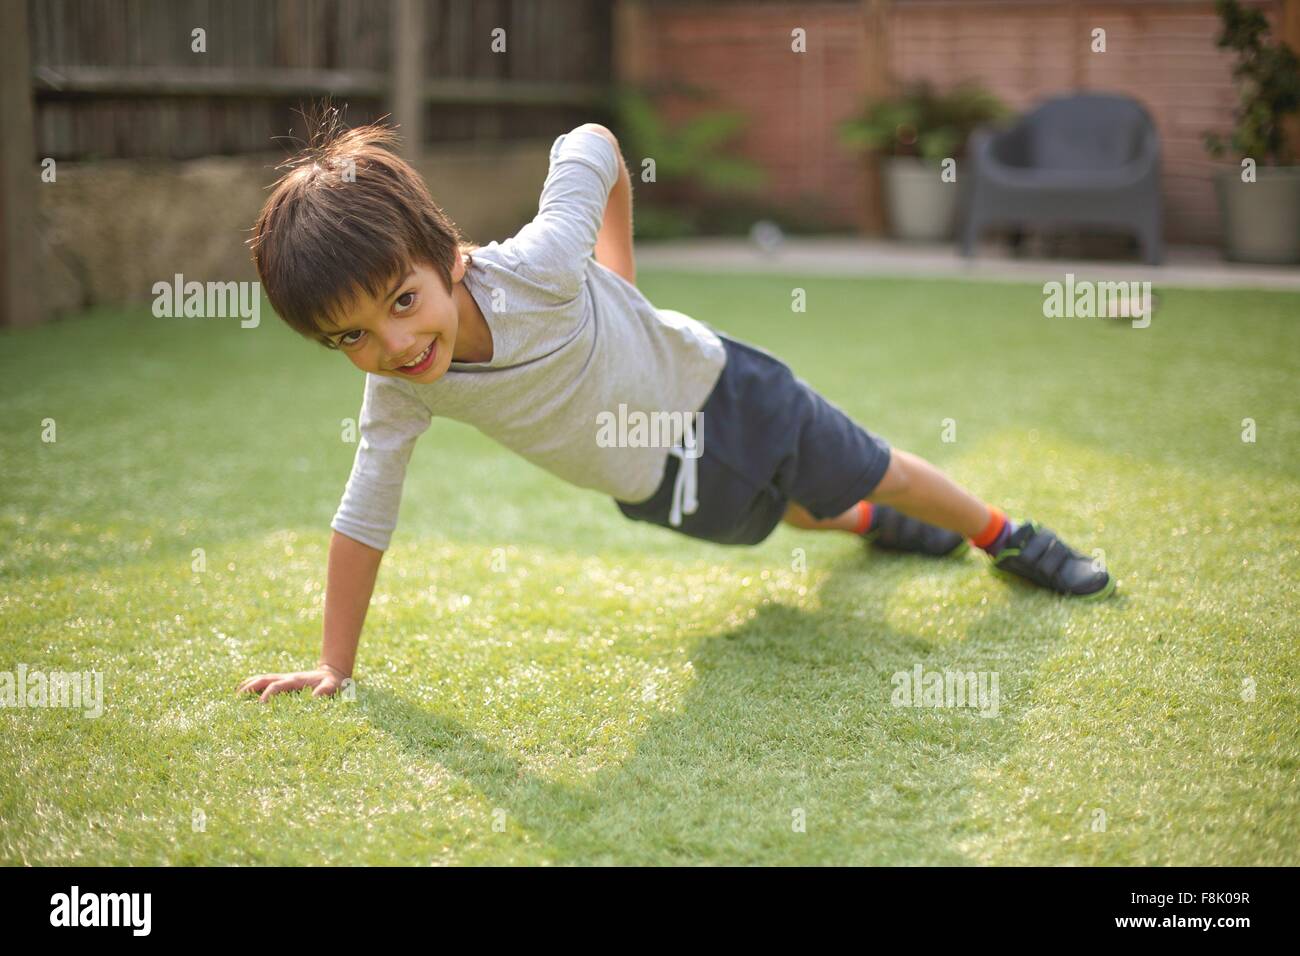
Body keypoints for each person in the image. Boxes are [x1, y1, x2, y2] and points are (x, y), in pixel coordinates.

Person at [237, 119, 1113, 703]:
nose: (391, 346)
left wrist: (616, 273)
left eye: (401, 302)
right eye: (349, 337)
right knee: (797, 515)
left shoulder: (538, 263)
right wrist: (333, 665)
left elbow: (593, 143)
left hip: (724, 390)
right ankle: (876, 527)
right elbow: (364, 512)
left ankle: (1008, 537)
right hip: (653, 477)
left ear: (447, 259)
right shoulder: (396, 391)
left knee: (874, 464)